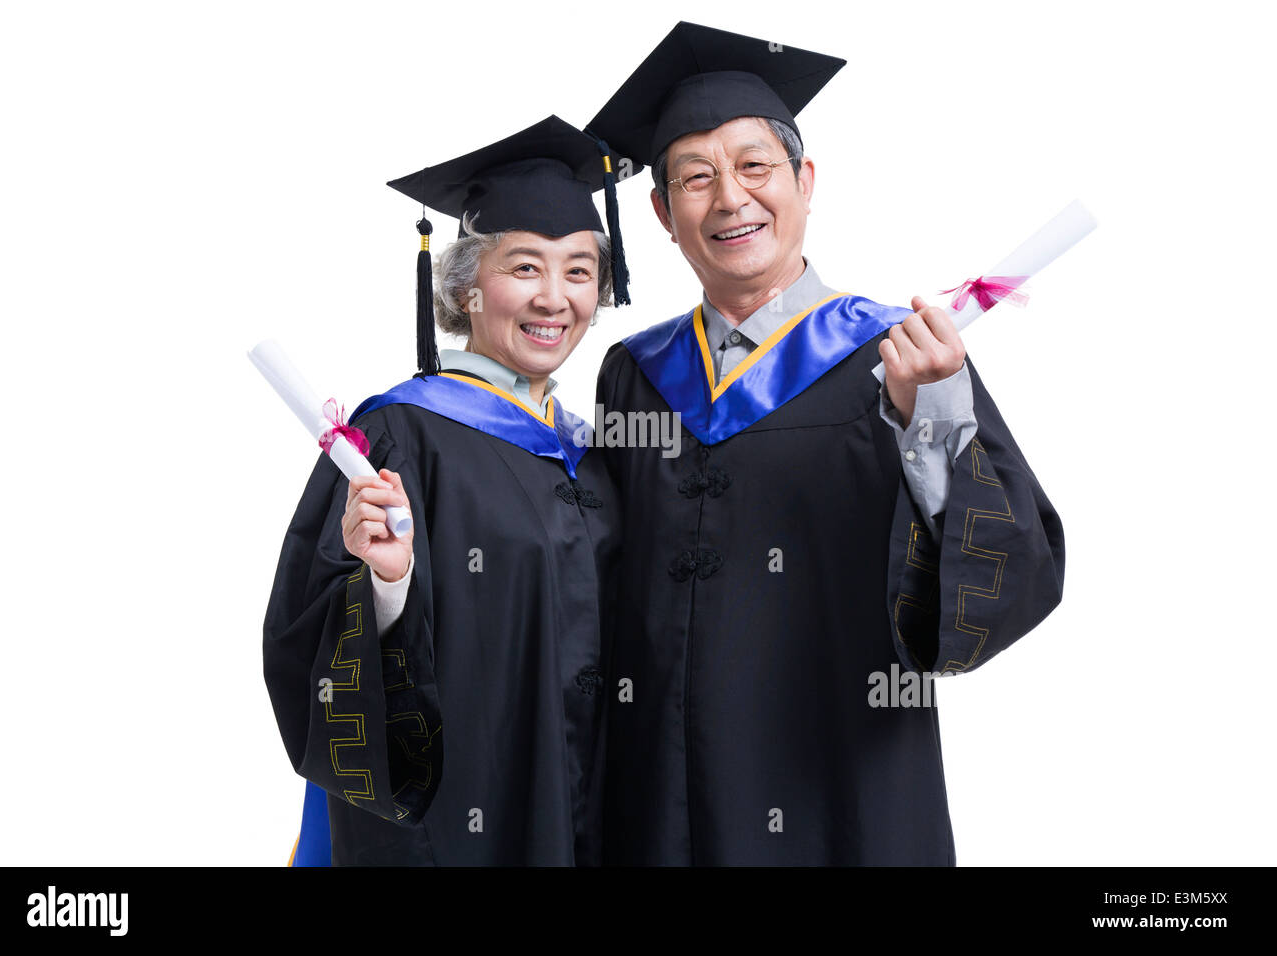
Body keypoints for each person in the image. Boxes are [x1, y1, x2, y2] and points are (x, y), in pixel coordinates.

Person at [584, 22, 1066, 865]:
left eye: (755, 166)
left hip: (840, 790)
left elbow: (1014, 574)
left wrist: (930, 419)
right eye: (695, 178)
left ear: (805, 183)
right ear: (662, 213)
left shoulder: (902, 356)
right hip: (661, 796)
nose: (729, 199)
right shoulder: (635, 374)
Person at [262, 115, 633, 865]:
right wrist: (388, 585)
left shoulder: (592, 455)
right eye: (523, 268)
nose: (554, 298)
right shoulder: (401, 433)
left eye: (579, 271)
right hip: (463, 821)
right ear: (467, 288)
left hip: (589, 810)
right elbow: (312, 645)